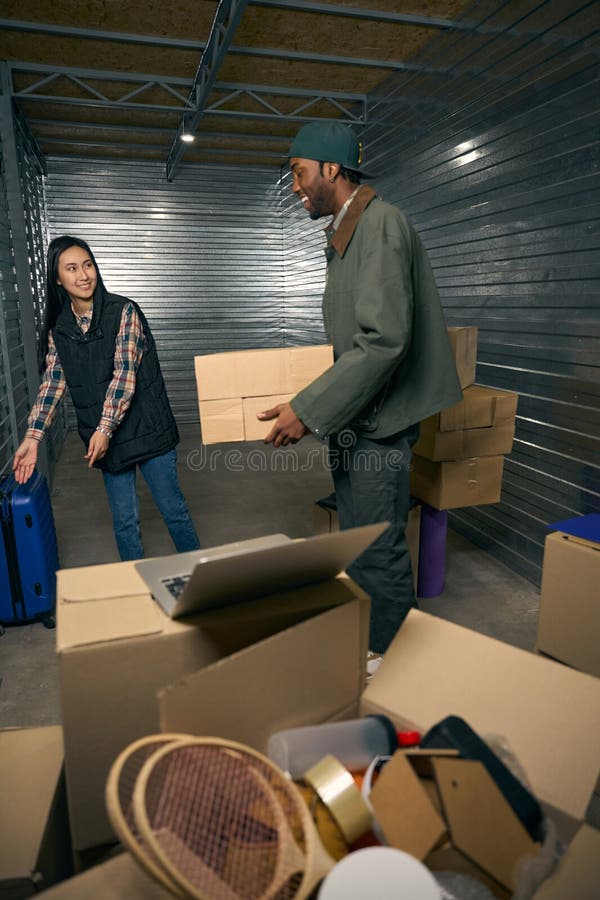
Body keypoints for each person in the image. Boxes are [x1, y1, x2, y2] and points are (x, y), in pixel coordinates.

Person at [258, 122, 462, 654]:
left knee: (377, 549)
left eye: (299, 173)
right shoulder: (348, 234)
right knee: (358, 541)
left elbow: (383, 342)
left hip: (379, 426)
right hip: (354, 422)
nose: (296, 186)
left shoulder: (382, 226)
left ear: (332, 169)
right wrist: (310, 405)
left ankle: (397, 663)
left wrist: (307, 409)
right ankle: (374, 644)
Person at [13, 235, 200, 561]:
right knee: (124, 522)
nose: (83, 275)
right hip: (107, 438)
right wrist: (33, 436)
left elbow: (124, 375)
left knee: (173, 510)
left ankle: (204, 578)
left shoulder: (124, 312)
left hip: (146, 429)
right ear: (58, 278)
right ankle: (134, 587)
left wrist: (103, 429)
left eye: (88, 265)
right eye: (72, 268)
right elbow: (53, 384)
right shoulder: (61, 330)